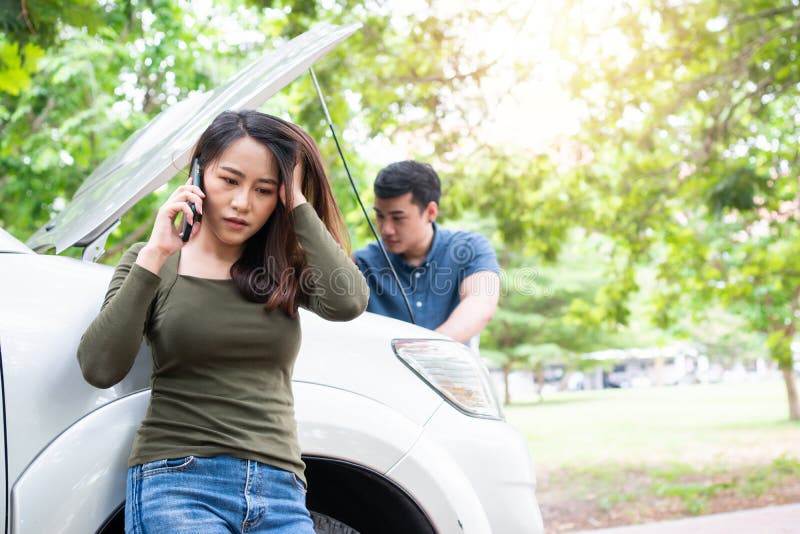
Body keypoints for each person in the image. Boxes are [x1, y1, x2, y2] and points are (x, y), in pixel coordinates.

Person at [77, 110, 368, 533]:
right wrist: (155, 255)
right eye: (229, 180)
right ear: (198, 174)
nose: (242, 203)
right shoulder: (156, 261)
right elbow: (99, 368)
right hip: (179, 482)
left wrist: (298, 204)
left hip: (279, 489)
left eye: (265, 190)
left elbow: (349, 302)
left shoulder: (282, 267)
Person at [353, 160, 500, 346]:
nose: (386, 229)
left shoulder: (470, 249)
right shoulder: (361, 263)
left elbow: (481, 305)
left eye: (398, 218)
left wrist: (423, 349)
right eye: (380, 216)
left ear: (431, 212)